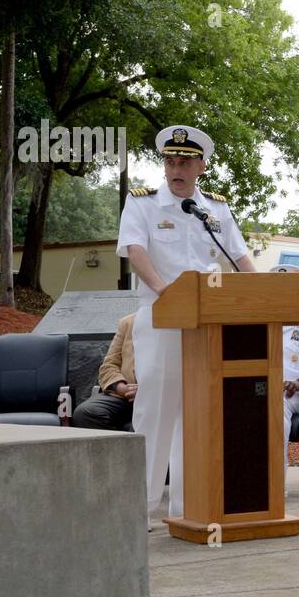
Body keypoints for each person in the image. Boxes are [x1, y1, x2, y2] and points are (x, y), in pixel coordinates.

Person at [116, 126, 256, 522]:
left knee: (199, 415)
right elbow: (134, 250)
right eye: (170, 161)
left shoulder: (217, 209)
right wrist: (164, 291)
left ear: (201, 166)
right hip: (163, 320)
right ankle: (139, 512)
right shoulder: (142, 204)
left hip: (208, 325)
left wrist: (264, 294)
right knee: (155, 413)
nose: (175, 168)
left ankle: (189, 507)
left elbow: (240, 258)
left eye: (184, 162)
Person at [73, 313, 137, 431]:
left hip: (158, 398)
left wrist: (146, 391)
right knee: (85, 413)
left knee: (143, 423)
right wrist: (123, 389)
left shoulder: (176, 324)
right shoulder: (128, 323)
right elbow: (108, 365)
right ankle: (114, 449)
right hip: (123, 395)